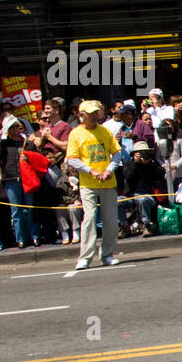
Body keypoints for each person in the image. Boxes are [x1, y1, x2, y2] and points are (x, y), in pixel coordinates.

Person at [66, 100, 121, 269]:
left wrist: (109, 170)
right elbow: (72, 159)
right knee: (89, 219)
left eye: (95, 113)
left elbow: (117, 153)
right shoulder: (75, 134)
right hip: (88, 183)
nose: (94, 116)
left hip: (108, 182)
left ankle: (107, 254)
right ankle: (85, 257)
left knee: (111, 220)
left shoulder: (105, 131)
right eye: (90, 113)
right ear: (81, 115)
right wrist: (91, 171)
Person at [0, 115, 38, 249]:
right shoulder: (4, 143)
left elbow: (36, 157)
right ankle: (21, 238)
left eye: (18, 126)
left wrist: (29, 157)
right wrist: (0, 140)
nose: (16, 129)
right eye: (13, 127)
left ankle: (34, 236)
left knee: (30, 208)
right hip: (11, 178)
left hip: (27, 178)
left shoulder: (27, 142)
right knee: (16, 210)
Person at [123, 140, 167, 235]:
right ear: (134, 154)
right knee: (118, 201)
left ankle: (146, 225)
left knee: (142, 199)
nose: (143, 154)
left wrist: (147, 164)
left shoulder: (152, 164)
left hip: (148, 196)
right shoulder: (129, 164)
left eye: (145, 152)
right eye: (140, 153)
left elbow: (160, 175)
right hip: (131, 196)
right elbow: (128, 177)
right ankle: (123, 227)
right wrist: (136, 163)